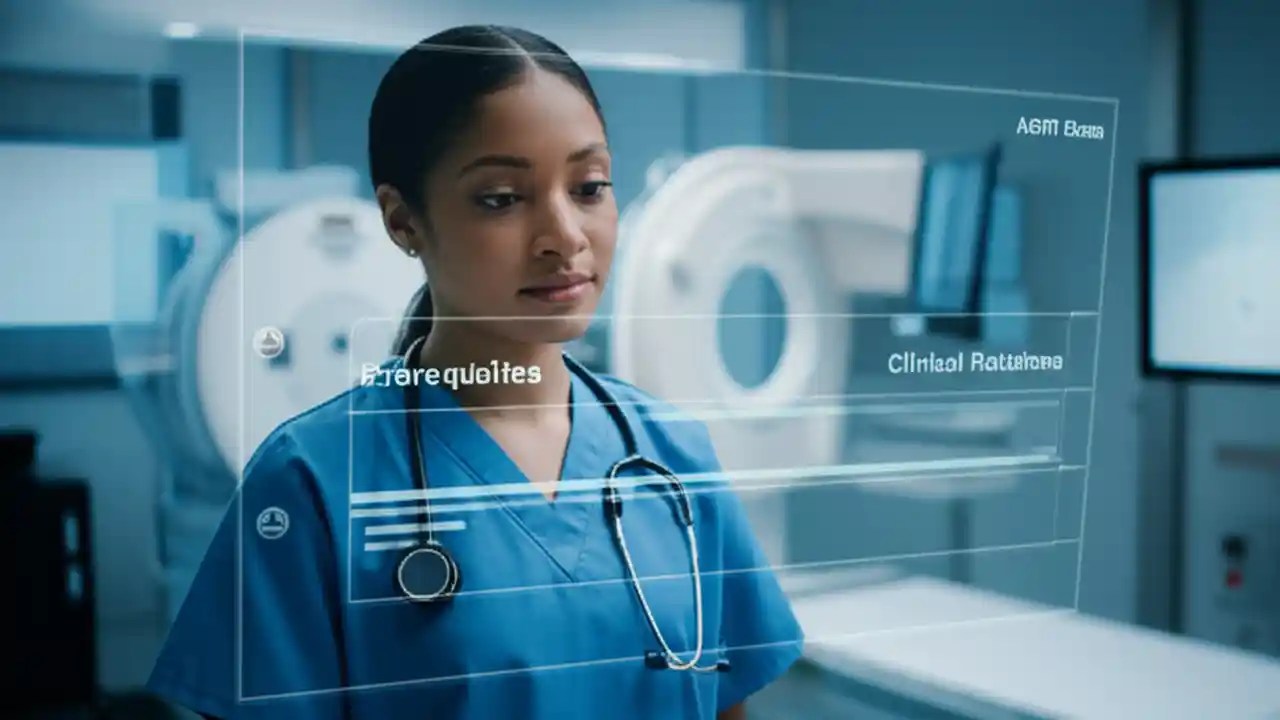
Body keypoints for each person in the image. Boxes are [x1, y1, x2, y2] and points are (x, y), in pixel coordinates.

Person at [146, 24, 804, 719]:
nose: (565, 237)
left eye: (589, 187)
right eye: (501, 198)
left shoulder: (673, 456)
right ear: (403, 221)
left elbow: (728, 702)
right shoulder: (312, 482)